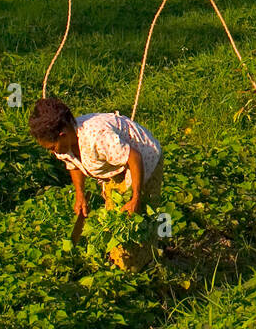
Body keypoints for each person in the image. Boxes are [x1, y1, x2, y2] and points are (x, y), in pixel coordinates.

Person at [28, 97, 164, 269]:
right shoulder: (66, 144)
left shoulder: (97, 137)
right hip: (117, 167)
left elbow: (134, 157)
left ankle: (145, 265)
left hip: (143, 159)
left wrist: (136, 197)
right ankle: (122, 262)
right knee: (115, 218)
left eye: (52, 148)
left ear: (62, 134)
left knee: (138, 218)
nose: (53, 152)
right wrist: (80, 195)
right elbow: (74, 164)